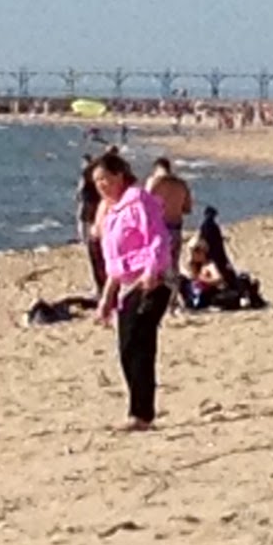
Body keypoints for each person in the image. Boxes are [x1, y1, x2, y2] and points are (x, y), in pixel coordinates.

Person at [93, 150, 174, 431]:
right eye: (96, 181)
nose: (101, 185)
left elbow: (157, 237)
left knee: (139, 346)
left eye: (104, 178)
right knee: (126, 349)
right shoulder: (112, 211)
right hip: (127, 286)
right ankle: (139, 411)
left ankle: (141, 414)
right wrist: (106, 297)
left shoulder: (138, 200)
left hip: (150, 281)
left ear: (119, 176)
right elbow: (114, 264)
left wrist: (152, 270)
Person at [145, 157, 193, 306]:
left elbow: (144, 205)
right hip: (176, 227)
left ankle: (158, 299)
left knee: (156, 265)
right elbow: (187, 208)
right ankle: (172, 299)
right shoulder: (181, 184)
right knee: (174, 264)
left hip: (159, 228)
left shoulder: (154, 182)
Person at [77, 156, 105, 293]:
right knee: (98, 255)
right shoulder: (97, 183)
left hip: (89, 218)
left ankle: (99, 287)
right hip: (95, 217)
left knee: (94, 254)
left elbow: (79, 197)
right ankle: (100, 285)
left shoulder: (87, 182)